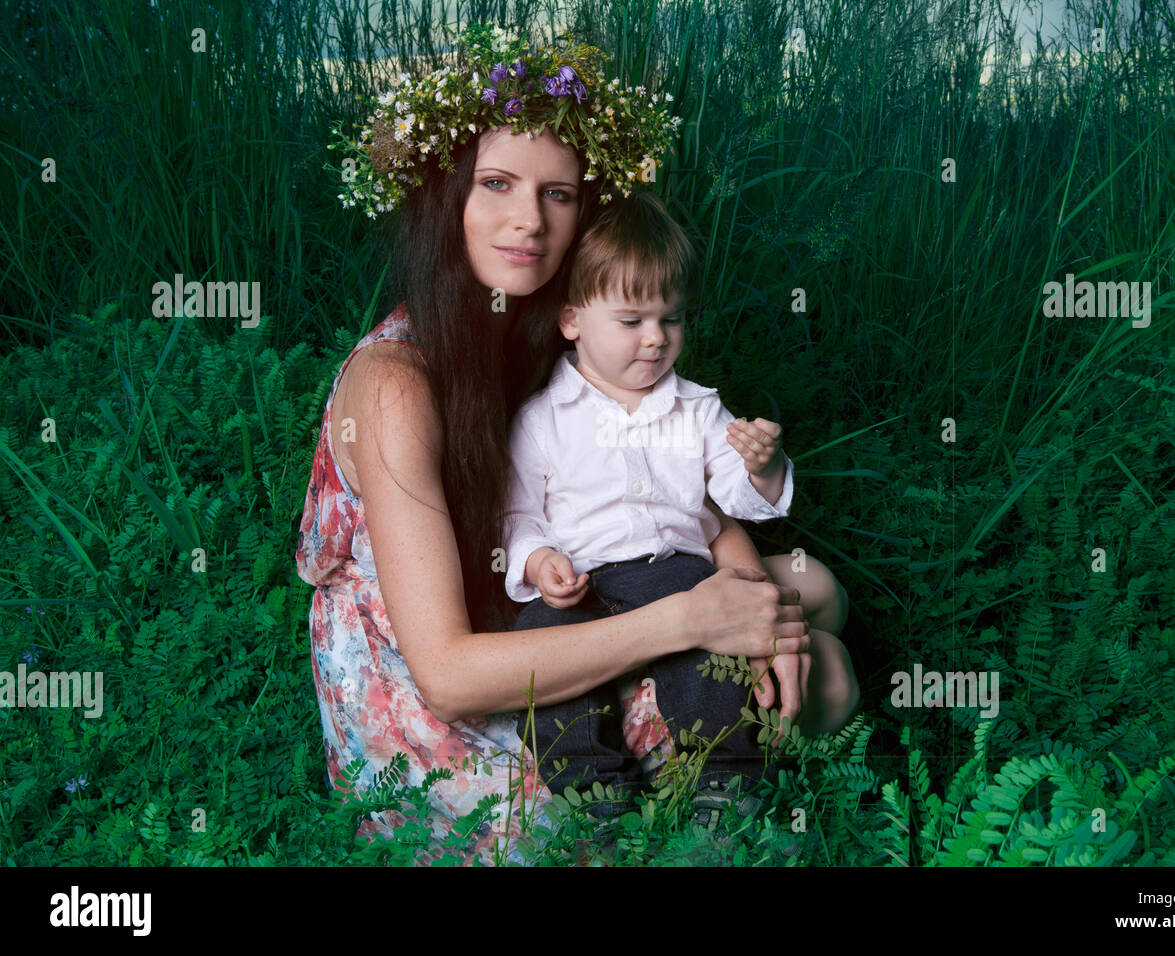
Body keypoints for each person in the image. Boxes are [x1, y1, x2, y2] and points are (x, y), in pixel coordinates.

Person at [296, 25, 857, 865]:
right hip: (434, 691)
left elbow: (675, 496)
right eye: (495, 183)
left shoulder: (546, 333)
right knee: (832, 670)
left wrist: (741, 599)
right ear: (443, 195)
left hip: (555, 593)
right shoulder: (396, 383)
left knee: (816, 593)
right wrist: (690, 617)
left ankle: (721, 707)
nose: (528, 220)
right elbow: (447, 674)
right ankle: (674, 807)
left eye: (558, 194)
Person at [503, 189, 851, 820]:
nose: (657, 340)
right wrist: (536, 559)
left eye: (672, 319)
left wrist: (763, 468)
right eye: (632, 322)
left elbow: (734, 502)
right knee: (543, 652)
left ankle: (727, 780)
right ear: (572, 319)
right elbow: (518, 514)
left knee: (711, 658)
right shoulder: (542, 419)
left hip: (675, 570)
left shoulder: (698, 408)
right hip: (584, 582)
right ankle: (592, 795)